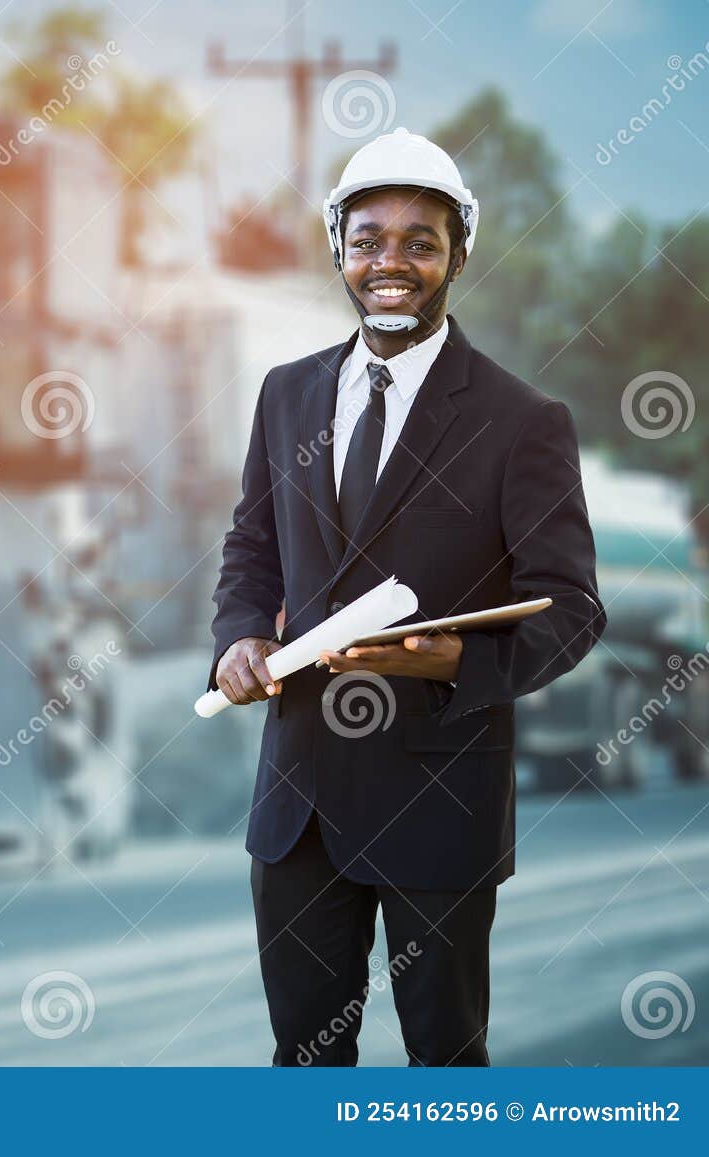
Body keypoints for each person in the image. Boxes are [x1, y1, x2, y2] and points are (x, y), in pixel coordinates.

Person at [206, 128, 606, 1066]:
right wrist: (237, 636)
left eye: (420, 243)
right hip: (299, 802)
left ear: (457, 255)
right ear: (339, 250)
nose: (392, 263)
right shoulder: (287, 395)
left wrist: (459, 660)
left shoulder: (522, 421)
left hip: (439, 798)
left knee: (444, 1064)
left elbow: (571, 606)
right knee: (304, 1062)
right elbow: (252, 549)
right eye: (369, 240)